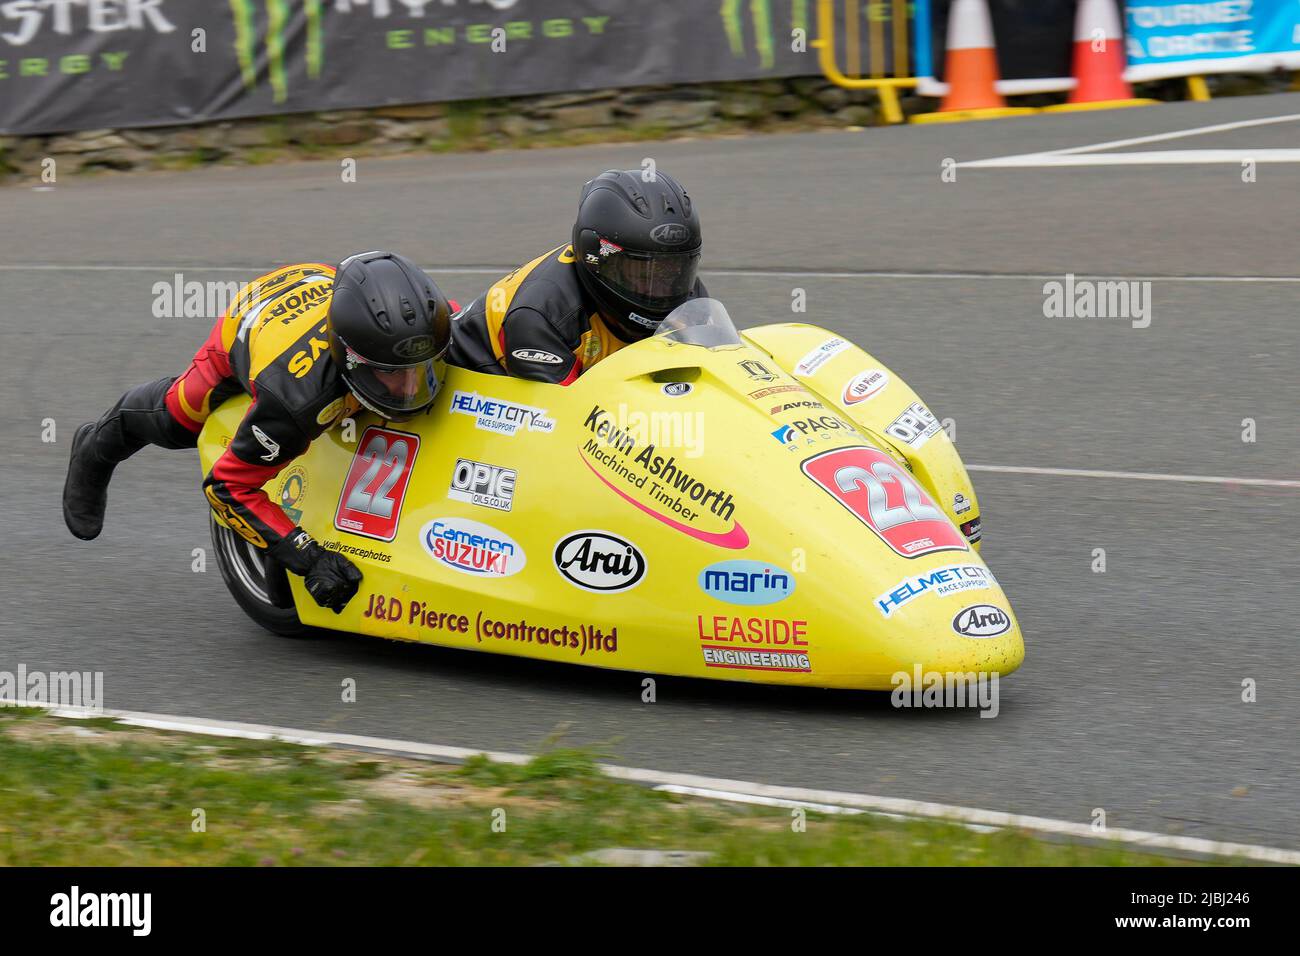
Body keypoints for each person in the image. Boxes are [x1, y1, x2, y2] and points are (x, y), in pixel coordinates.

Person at [62, 251, 452, 613]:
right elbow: (226, 488)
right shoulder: (293, 398)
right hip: (256, 314)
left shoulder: (438, 323)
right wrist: (306, 556)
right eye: (391, 372)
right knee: (179, 420)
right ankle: (96, 445)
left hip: (323, 285)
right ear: (348, 358)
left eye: (423, 367)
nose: (409, 388)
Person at [449, 168, 705, 384]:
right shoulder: (542, 316)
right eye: (640, 272)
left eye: (672, 270)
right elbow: (566, 423)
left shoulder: (686, 293)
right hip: (478, 376)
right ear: (598, 259)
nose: (661, 289)